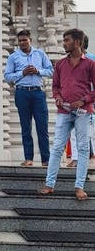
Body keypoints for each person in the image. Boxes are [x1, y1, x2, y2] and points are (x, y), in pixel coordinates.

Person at [39, 28, 95, 201]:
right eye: (63, 40)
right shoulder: (61, 64)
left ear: (78, 42)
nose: (64, 43)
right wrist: (57, 97)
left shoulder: (90, 64)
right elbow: (55, 86)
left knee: (84, 149)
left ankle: (79, 187)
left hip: (83, 112)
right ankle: (49, 184)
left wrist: (84, 100)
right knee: (57, 148)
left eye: (67, 40)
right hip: (64, 111)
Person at [4, 29, 53, 166]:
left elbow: (51, 71)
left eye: (25, 40)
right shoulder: (13, 57)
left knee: (42, 126)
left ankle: (46, 160)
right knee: (25, 126)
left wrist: (38, 71)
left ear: (30, 39)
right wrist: (22, 73)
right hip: (22, 93)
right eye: (20, 41)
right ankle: (29, 159)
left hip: (38, 93)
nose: (22, 42)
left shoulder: (40, 54)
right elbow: (7, 76)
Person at [68, 34, 95, 167]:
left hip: (89, 102)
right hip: (75, 102)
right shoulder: (70, 61)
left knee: (89, 132)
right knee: (74, 130)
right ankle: (75, 158)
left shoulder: (92, 60)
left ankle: (85, 158)